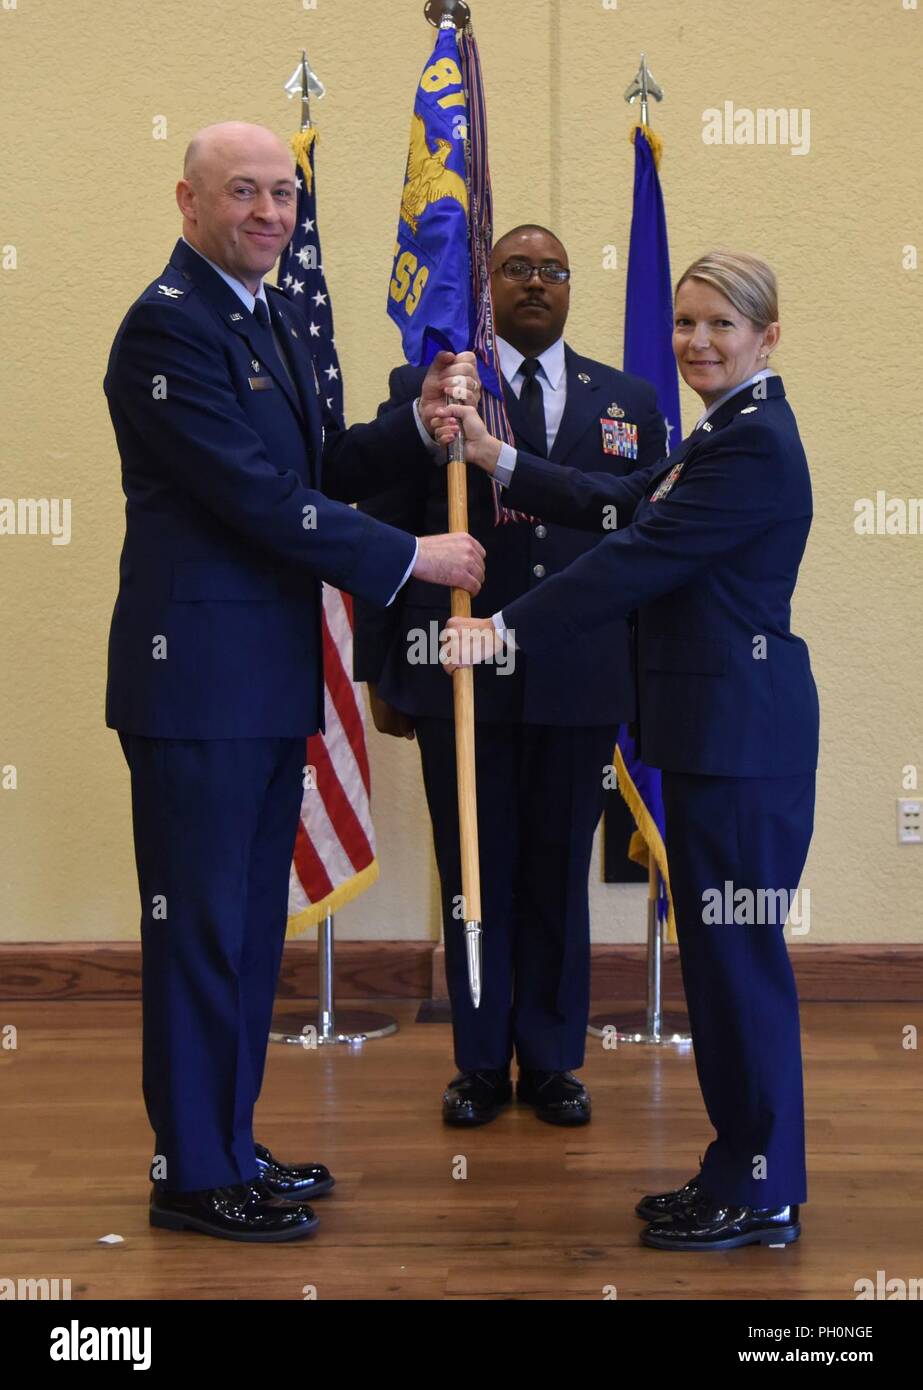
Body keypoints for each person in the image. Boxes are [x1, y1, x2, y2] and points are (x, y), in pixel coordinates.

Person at [105, 121, 484, 1243]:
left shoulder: (263, 316)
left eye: (283, 193)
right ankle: (191, 1172)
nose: (270, 212)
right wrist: (409, 556)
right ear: (186, 200)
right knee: (201, 932)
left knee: (243, 932)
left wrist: (414, 431)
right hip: (197, 686)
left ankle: (225, 1138)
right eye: (243, 193)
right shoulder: (165, 331)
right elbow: (256, 500)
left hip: (262, 679)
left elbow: (314, 467)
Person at [438, 250, 819, 1251]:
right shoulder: (723, 433)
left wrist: (502, 629)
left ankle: (760, 1185)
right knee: (724, 961)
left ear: (766, 337)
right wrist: (495, 458)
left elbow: (633, 557)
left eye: (719, 327)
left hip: (742, 738)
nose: (694, 342)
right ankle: (738, 1166)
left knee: (737, 965)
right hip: (717, 731)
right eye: (684, 323)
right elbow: (617, 502)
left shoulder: (752, 446)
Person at [354, 225, 666, 1127]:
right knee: (472, 871)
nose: (537, 282)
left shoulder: (628, 398)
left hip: (578, 676)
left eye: (553, 270)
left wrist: (641, 681)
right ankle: (482, 1061)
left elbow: (638, 540)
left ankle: (556, 1060)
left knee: (557, 871)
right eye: (516, 269)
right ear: (486, 286)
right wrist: (384, 666)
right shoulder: (441, 389)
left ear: (573, 287)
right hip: (458, 675)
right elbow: (387, 528)